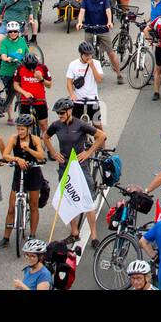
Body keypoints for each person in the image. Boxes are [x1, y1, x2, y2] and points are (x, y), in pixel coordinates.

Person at [44, 98, 104, 244]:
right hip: (65, 165)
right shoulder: (56, 125)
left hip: (80, 165)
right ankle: (74, 232)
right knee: (68, 197)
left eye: (62, 113)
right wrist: (53, 153)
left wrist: (88, 153)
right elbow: (45, 137)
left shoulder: (80, 124)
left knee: (87, 198)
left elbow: (101, 136)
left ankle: (94, 236)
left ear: (70, 111)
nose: (60, 115)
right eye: (58, 113)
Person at [0, 114, 46, 250]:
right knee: (11, 207)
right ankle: (6, 238)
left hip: (34, 172)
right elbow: (5, 155)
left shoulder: (35, 139)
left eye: (22, 129)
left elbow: (41, 156)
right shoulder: (14, 139)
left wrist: (28, 149)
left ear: (29, 129)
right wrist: (17, 159)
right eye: (18, 129)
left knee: (34, 205)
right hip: (19, 173)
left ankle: (32, 234)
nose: (20, 132)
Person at [65, 41, 104, 123]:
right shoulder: (73, 64)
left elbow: (99, 80)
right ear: (81, 54)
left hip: (93, 99)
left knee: (98, 125)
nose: (89, 57)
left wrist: (92, 66)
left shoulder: (96, 63)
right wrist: (72, 95)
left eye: (90, 54)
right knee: (74, 125)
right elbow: (69, 82)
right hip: (78, 100)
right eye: (86, 55)